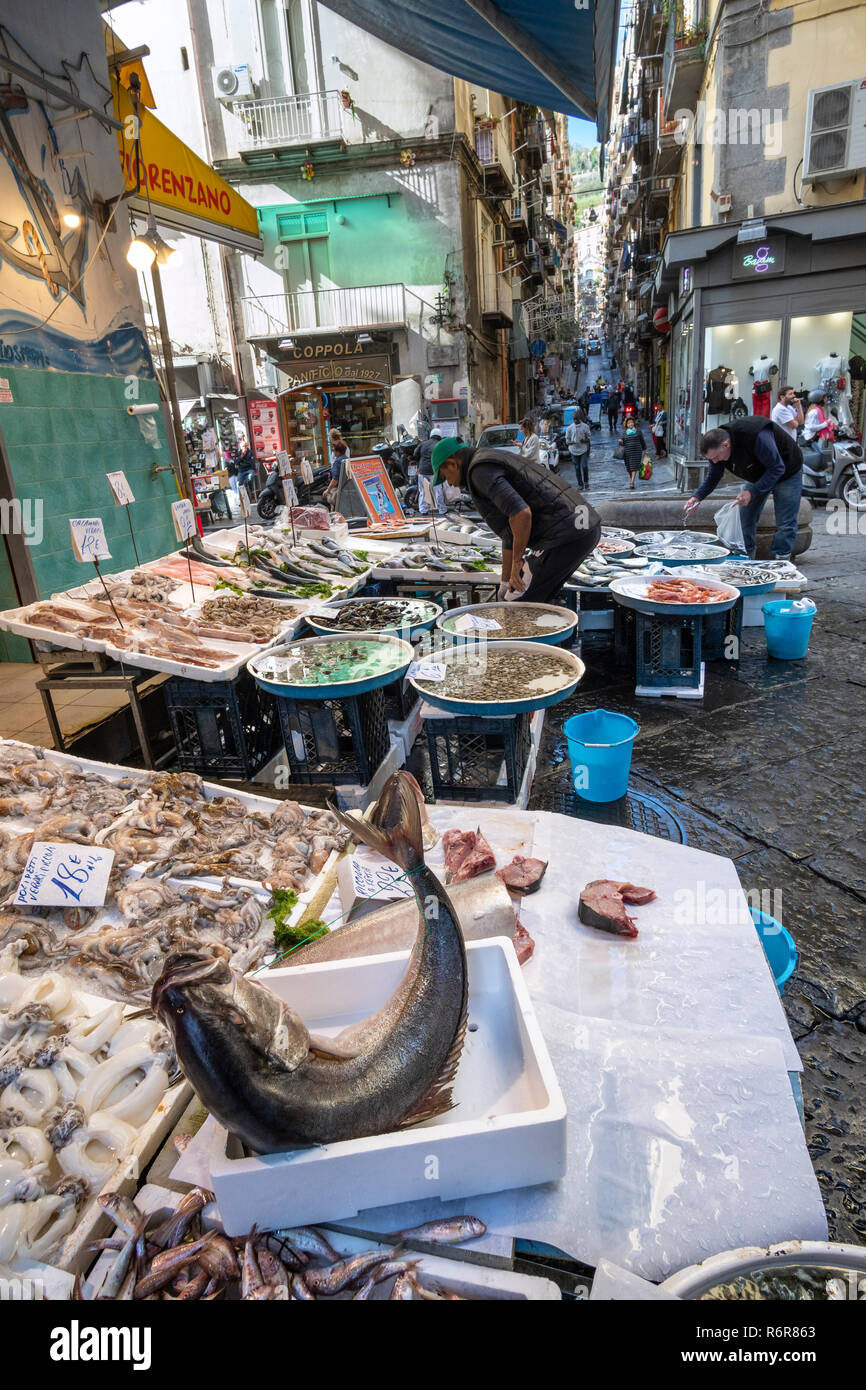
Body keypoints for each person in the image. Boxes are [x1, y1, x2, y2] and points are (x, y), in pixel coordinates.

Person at [429, 436, 600, 606]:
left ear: (452, 464)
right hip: (583, 526)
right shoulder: (486, 459)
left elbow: (521, 514)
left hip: (567, 534)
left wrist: (517, 563)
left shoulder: (479, 471)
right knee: (528, 598)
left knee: (518, 603)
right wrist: (505, 581)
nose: (449, 484)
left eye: (445, 477)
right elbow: (509, 531)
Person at [684, 416, 803, 559]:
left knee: (785, 522)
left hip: (787, 470)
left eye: (715, 457)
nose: (714, 461)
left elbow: (777, 468)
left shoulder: (756, 435)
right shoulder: (717, 447)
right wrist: (697, 497)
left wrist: (752, 492)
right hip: (757, 474)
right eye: (711, 459)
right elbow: (714, 476)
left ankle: (782, 562)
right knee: (744, 518)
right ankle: (746, 558)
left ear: (726, 445)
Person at [416, 426, 446, 516]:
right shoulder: (440, 445)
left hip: (422, 471)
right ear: (440, 436)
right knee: (438, 490)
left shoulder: (423, 443)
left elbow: (415, 453)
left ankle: (423, 510)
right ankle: (442, 509)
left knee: (423, 491)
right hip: (434, 471)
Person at [619, 418, 647, 490]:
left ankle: (632, 482)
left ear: (634, 423)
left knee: (634, 466)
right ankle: (632, 479)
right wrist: (620, 442)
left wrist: (645, 450)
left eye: (631, 422)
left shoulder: (638, 431)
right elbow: (622, 443)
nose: (630, 424)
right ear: (626, 425)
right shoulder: (624, 432)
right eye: (628, 423)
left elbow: (642, 441)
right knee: (629, 468)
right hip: (627, 452)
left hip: (636, 451)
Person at [566, 409, 591, 489]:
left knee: (584, 466)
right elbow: (567, 440)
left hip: (583, 449)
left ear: (580, 418)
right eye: (574, 419)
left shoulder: (585, 427)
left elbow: (589, 437)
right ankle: (580, 483)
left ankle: (586, 481)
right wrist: (571, 442)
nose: (576, 421)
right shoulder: (569, 428)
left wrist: (584, 440)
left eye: (577, 419)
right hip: (573, 450)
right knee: (577, 467)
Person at [324, 429, 349, 508]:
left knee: (335, 505)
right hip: (344, 485)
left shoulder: (338, 461)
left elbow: (335, 479)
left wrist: (327, 490)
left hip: (338, 486)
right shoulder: (344, 456)